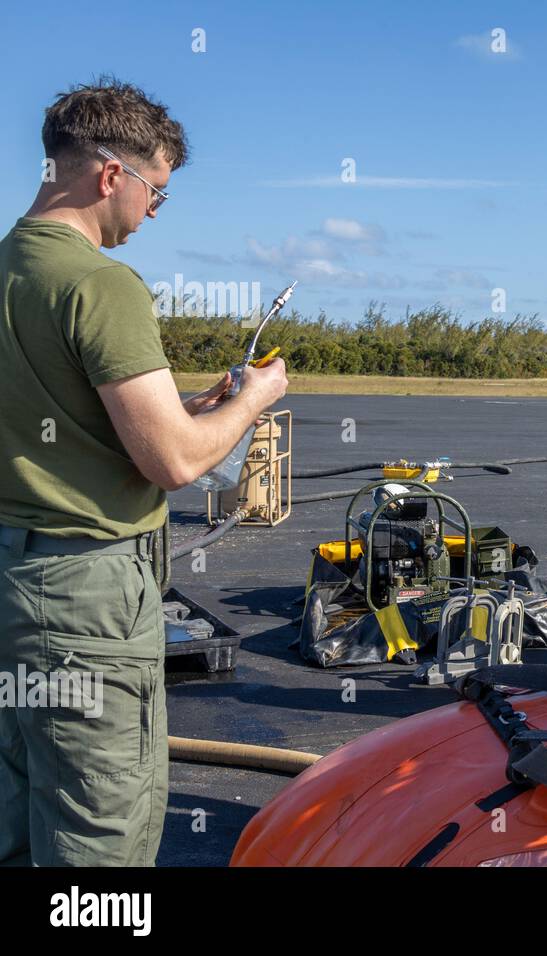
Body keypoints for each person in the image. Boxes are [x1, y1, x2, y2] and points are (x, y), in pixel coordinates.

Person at [0, 80, 288, 866]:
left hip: (13, 582)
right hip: (85, 598)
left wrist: (186, 404)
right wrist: (253, 401)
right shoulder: (99, 283)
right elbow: (175, 462)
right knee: (101, 833)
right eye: (156, 191)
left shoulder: (11, 267)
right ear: (108, 176)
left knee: (22, 814)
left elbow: (51, 416)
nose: (155, 211)